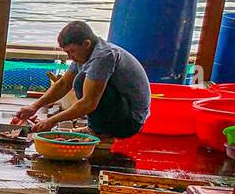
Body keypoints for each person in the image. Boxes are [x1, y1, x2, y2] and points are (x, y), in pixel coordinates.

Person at [11, 20, 150, 139]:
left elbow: (88, 104)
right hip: (121, 110)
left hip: (130, 121)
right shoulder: (84, 54)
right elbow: (64, 84)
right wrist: (34, 106)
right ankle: (97, 128)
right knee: (78, 80)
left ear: (87, 43)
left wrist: (51, 121)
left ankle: (100, 131)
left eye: (71, 51)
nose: (70, 57)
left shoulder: (103, 57)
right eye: (67, 53)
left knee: (81, 81)